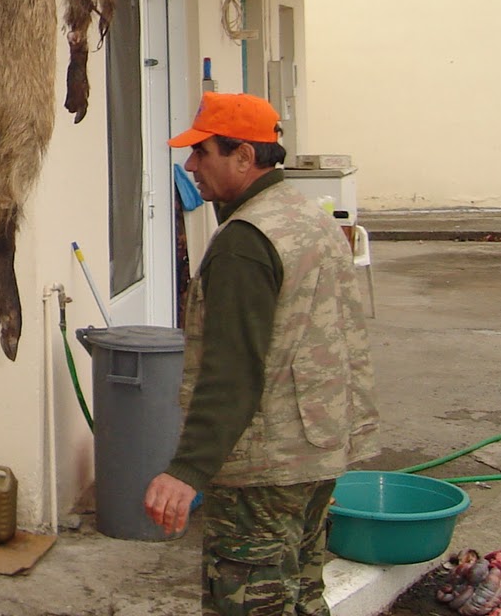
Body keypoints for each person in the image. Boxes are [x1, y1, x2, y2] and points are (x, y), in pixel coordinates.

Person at [144, 93, 379, 616]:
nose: (190, 167)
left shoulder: (245, 242)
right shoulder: (308, 217)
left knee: (250, 602)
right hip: (316, 451)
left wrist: (186, 470)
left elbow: (233, 371)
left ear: (244, 157)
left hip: (265, 470)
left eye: (202, 153)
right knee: (299, 594)